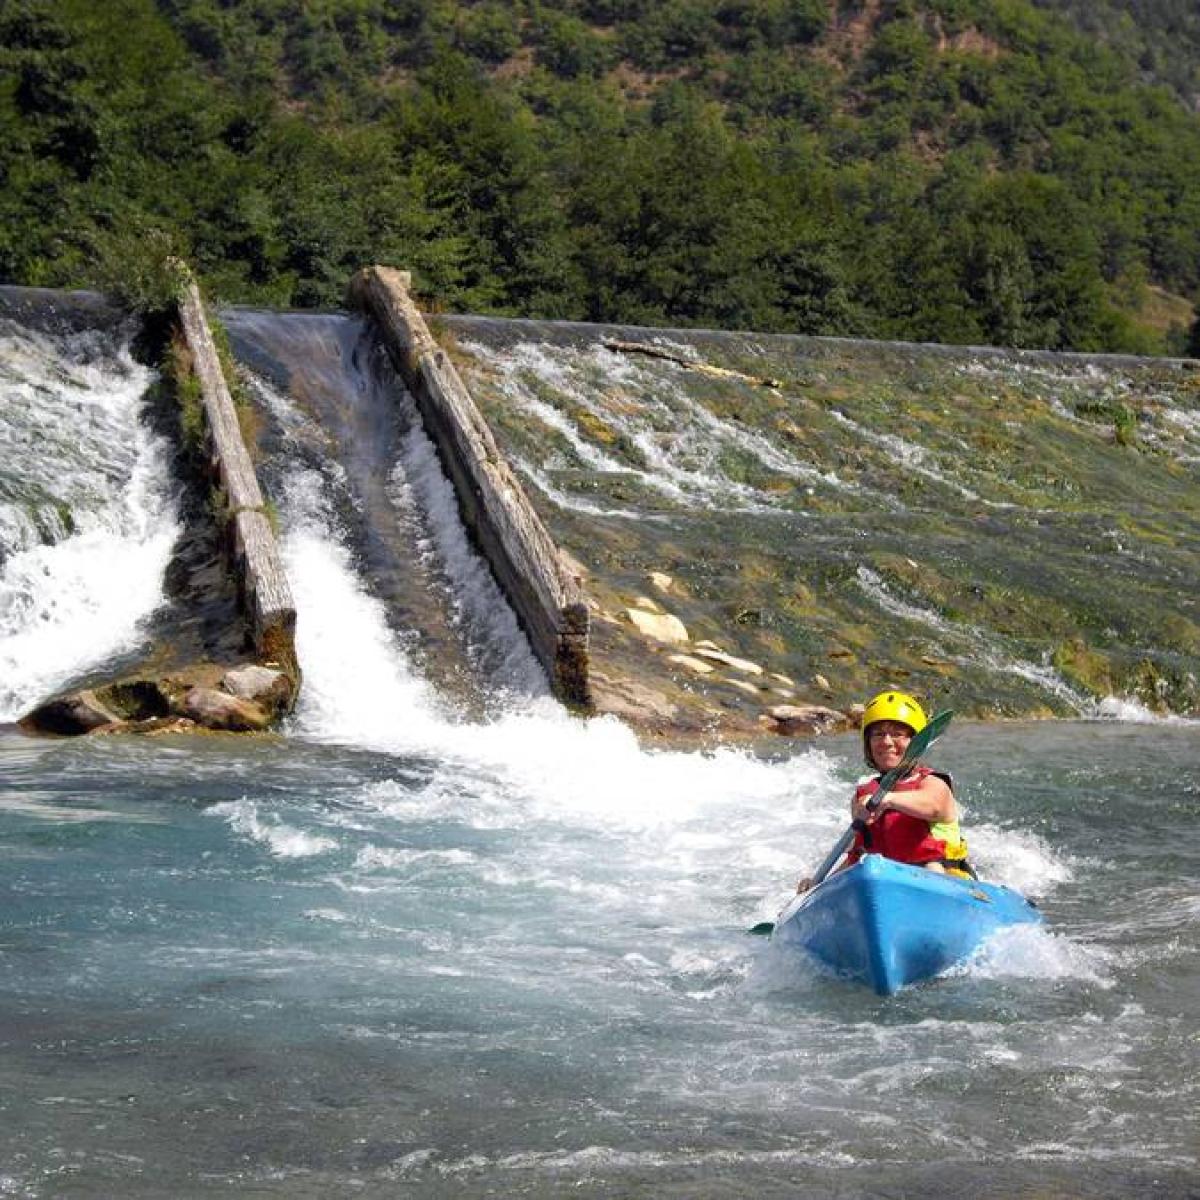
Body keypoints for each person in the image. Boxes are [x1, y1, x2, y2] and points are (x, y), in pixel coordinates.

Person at [797, 690, 974, 892]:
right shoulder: (863, 796)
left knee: (932, 868)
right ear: (868, 743)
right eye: (878, 734)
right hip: (883, 886)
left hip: (938, 878)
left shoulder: (934, 784)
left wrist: (888, 799)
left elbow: (933, 806)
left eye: (897, 734)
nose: (886, 742)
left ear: (915, 742)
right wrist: (820, 888)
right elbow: (857, 856)